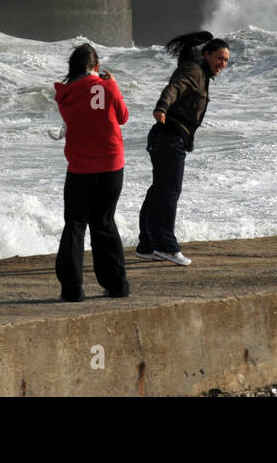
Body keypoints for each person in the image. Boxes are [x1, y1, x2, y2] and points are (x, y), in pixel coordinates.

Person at [136, 31, 231, 266]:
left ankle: (147, 246)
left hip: (166, 138)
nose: (223, 64)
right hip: (168, 136)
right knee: (168, 191)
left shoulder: (200, 73)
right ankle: (166, 247)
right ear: (206, 54)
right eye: (220, 58)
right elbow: (174, 87)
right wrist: (161, 107)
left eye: (226, 60)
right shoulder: (194, 71)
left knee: (159, 190)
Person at [53, 43, 129, 301]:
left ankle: (73, 289)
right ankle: (117, 286)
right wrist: (113, 84)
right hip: (111, 165)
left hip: (81, 168)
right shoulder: (108, 87)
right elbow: (123, 116)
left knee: (75, 225)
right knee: (104, 222)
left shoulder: (65, 94)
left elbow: (71, 116)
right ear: (97, 67)